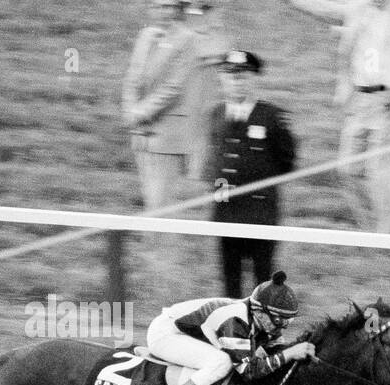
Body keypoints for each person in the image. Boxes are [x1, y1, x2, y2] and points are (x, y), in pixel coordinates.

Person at [286, 0, 390, 233]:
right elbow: (324, 8)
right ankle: (368, 231)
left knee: (380, 174)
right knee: (347, 171)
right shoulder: (356, 8)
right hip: (360, 102)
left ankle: (389, 236)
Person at [147, 271, 317, 385]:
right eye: (279, 320)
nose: (282, 326)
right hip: (165, 333)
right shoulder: (235, 321)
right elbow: (250, 371)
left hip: (184, 330)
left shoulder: (262, 320)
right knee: (222, 362)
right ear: (260, 311)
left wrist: (301, 350)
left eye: (289, 320)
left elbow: (278, 351)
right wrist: (291, 353)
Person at [203, 51, 298, 297]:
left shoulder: (272, 117)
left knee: (262, 283)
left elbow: (286, 162)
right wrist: (220, 192)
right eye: (230, 77)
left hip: (260, 214)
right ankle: (232, 331)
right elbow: (215, 163)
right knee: (229, 284)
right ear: (223, 80)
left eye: (243, 77)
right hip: (227, 213)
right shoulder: (216, 114)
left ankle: (261, 333)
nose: (236, 82)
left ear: (254, 79)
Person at [122, 0, 200, 212]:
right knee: (150, 203)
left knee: (161, 205)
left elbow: (174, 87)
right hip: (141, 134)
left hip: (167, 134)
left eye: (170, 7)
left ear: (177, 9)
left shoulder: (187, 39)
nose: (165, 12)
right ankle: (152, 245)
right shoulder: (146, 36)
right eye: (159, 6)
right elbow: (132, 76)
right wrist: (130, 109)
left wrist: (141, 112)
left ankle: (159, 246)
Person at [182, 0, 234, 177]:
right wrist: (212, 58)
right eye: (216, 13)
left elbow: (225, 53)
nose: (218, 17)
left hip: (213, 87)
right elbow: (194, 56)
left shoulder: (219, 33)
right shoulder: (190, 32)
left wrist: (210, 59)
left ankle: (198, 170)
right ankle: (192, 170)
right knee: (194, 127)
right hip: (193, 86)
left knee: (207, 128)